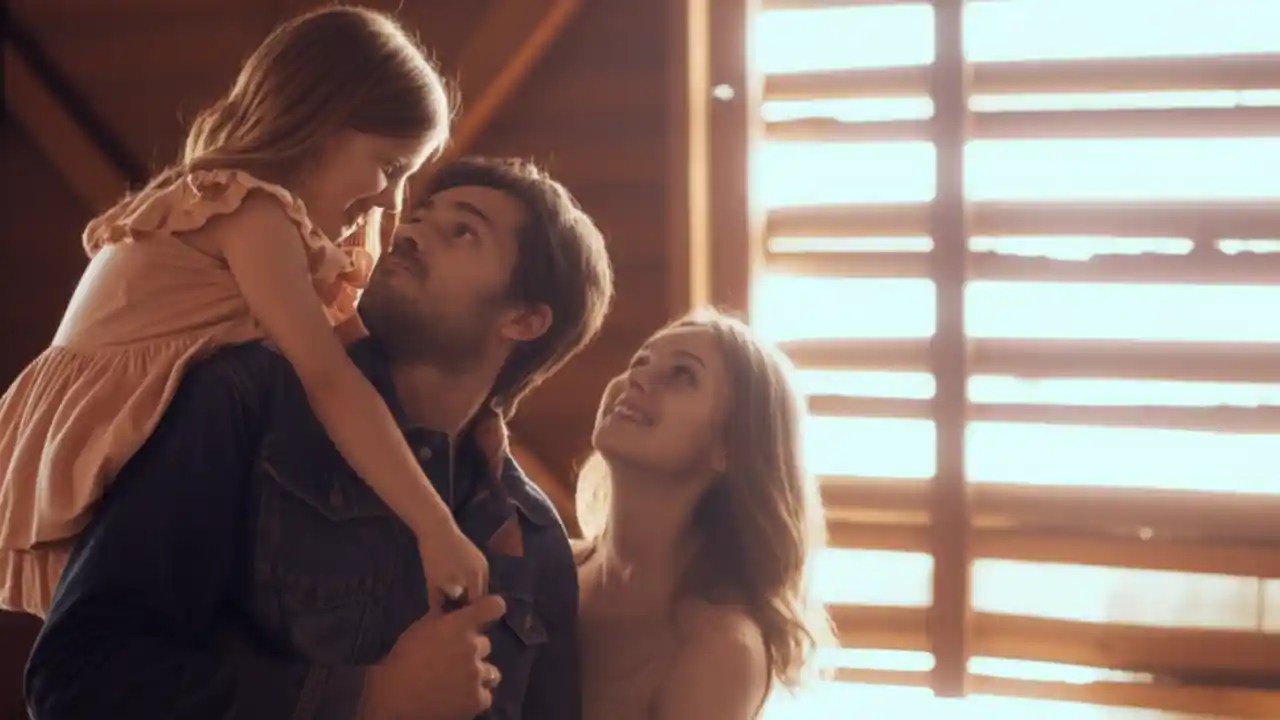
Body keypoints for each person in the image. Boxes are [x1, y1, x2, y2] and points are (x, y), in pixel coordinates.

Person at [26, 155, 614, 719]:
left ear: (525, 320)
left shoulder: (537, 543)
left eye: (462, 232)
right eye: (418, 215)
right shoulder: (243, 398)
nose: (408, 233)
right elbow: (80, 677)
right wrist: (364, 701)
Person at [0, 6, 487, 618]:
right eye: (390, 167)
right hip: (102, 452)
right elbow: (331, 383)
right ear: (324, 124)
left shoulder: (274, 228)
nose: (391, 199)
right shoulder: (251, 213)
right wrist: (434, 524)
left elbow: (365, 369)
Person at [575, 308, 832, 719]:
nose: (638, 378)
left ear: (728, 447)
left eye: (682, 375)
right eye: (640, 361)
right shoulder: (549, 564)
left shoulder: (723, 647)